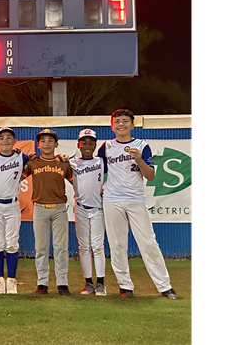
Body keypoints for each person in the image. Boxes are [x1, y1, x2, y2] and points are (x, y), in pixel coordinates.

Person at [98, 109, 180, 300]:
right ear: (112, 125)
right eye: (117, 121)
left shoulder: (141, 145)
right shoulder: (106, 146)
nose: (121, 124)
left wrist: (139, 159)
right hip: (112, 199)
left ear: (132, 125)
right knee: (117, 244)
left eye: (125, 121)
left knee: (149, 242)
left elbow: (150, 175)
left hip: (135, 199)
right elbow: (97, 171)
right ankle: (125, 285)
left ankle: (165, 286)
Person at [23, 129, 73, 296]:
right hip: (40, 208)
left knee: (61, 247)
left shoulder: (63, 162)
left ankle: (62, 283)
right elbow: (16, 177)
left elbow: (76, 181)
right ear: (38, 144)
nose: (46, 144)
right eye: (42, 141)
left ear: (56, 144)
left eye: (50, 140)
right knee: (41, 247)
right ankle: (42, 283)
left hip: (59, 208)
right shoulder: (33, 163)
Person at [0, 127, 31, 295]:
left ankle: (11, 281)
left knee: (11, 243)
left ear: (14, 141)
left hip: (12, 205)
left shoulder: (20, 157)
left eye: (9, 137)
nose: (5, 140)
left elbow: (35, 162)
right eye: (1, 138)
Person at [69, 129, 107, 296]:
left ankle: (101, 284)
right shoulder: (72, 163)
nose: (87, 145)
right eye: (84, 142)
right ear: (78, 144)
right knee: (84, 247)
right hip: (81, 209)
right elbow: (56, 162)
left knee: (98, 247)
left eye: (91, 143)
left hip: (98, 209)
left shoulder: (101, 161)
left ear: (95, 145)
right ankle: (88, 283)